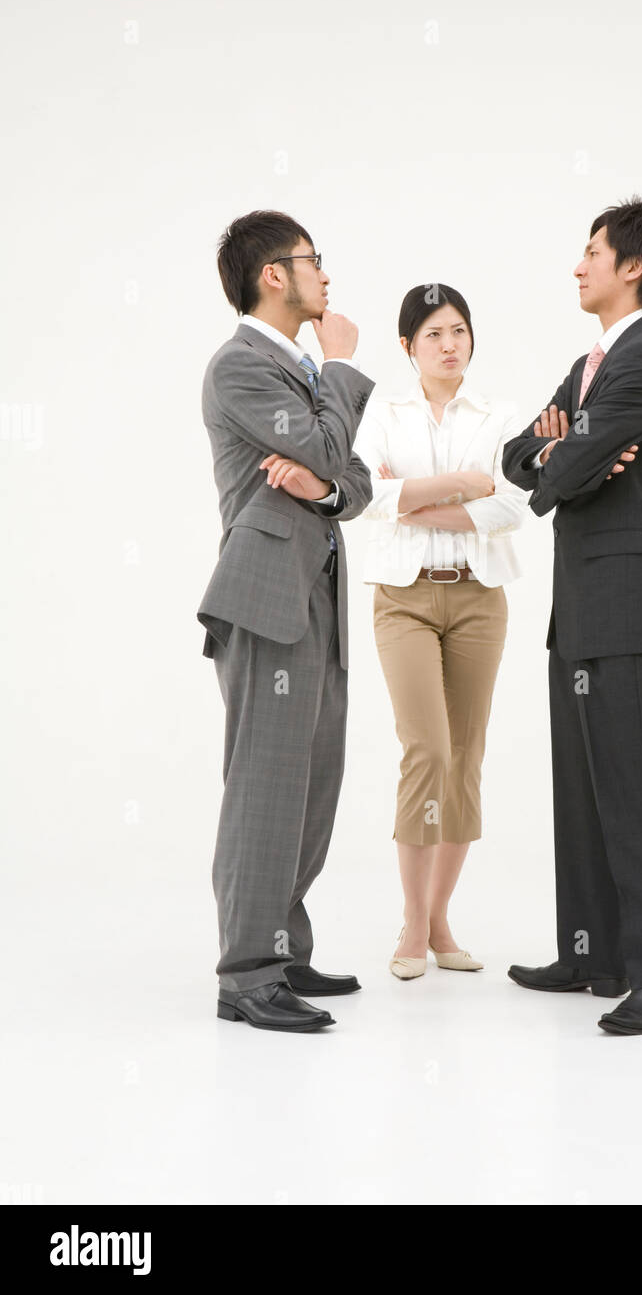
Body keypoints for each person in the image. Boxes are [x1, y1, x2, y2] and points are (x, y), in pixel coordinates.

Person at [502, 198, 642, 1035]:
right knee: (581, 792)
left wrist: (569, 451)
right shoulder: (593, 364)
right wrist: (566, 448)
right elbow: (523, 454)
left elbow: (569, 462)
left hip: (630, 611)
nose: (577, 267)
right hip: (578, 615)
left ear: (633, 268)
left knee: (641, 796)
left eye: (591, 253)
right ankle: (593, 954)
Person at [197, 210, 374, 1032]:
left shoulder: (295, 370)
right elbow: (325, 447)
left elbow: (352, 477)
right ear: (276, 274)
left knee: (313, 782)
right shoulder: (239, 366)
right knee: (266, 785)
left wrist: (322, 486)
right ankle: (247, 975)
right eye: (313, 261)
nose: (326, 276)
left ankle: (284, 947)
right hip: (267, 594)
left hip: (318, 598)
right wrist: (340, 365)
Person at [353, 284, 528, 979]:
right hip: (403, 599)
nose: (450, 344)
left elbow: (511, 506)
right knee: (425, 749)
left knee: (465, 757)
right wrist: (461, 482)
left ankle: (438, 919)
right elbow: (369, 495)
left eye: (459, 330)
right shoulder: (382, 414)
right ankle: (413, 921)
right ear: (407, 347)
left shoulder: (500, 414)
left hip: (479, 598)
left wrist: (416, 498)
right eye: (433, 334)